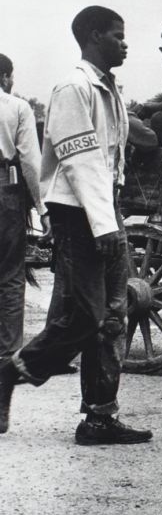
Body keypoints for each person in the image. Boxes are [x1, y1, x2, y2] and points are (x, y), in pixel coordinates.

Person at [0, 6, 152, 445]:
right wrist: (105, 225)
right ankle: (11, 372)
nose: (125, 44)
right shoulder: (73, 88)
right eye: (117, 36)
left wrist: (111, 217)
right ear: (91, 36)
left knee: (112, 317)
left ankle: (100, 417)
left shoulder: (108, 90)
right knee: (84, 315)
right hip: (79, 213)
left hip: (105, 210)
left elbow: (110, 159)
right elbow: (80, 160)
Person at [0, 56, 50, 413]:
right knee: (10, 277)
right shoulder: (16, 107)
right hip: (5, 194)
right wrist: (43, 208)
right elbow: (31, 162)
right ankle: (7, 357)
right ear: (5, 77)